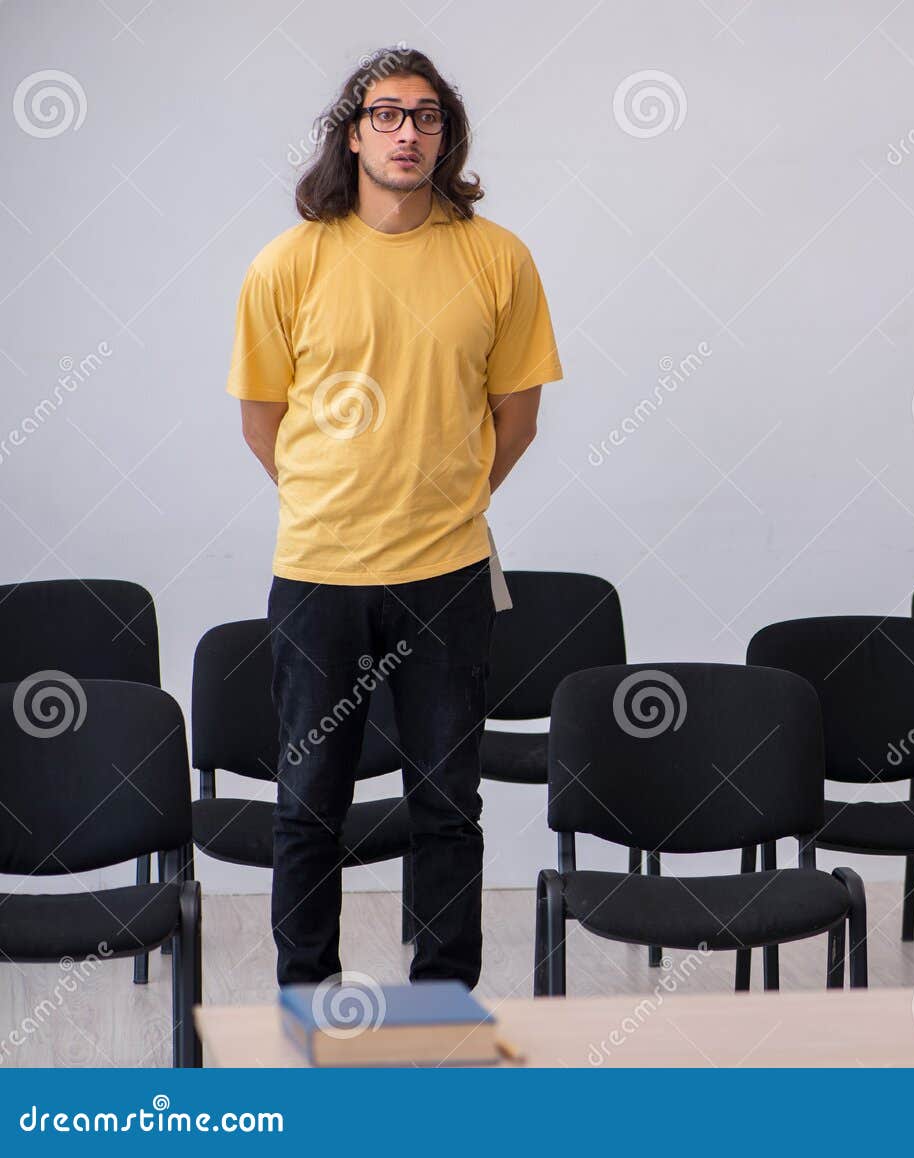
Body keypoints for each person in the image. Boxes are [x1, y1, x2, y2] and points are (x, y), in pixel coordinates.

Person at [226, 46, 562, 988]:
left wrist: (442, 501)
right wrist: (344, 503)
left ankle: (442, 999)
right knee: (308, 805)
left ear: (446, 136)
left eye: (425, 116)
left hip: (446, 573)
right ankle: (306, 998)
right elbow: (264, 422)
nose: (406, 132)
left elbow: (518, 415)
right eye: (386, 114)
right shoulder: (289, 262)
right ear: (353, 132)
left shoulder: (497, 256)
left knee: (447, 805)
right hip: (319, 573)